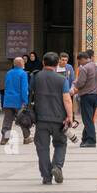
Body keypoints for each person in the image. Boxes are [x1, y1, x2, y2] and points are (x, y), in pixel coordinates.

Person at [31, 52, 72, 185]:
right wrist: (70, 116)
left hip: (41, 119)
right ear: (57, 64)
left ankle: (46, 176)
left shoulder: (35, 77)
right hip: (59, 119)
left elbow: (30, 94)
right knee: (60, 144)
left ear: (43, 62)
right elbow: (67, 99)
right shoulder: (62, 79)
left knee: (42, 148)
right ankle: (57, 166)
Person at [71, 50, 97, 148]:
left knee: (87, 119)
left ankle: (91, 140)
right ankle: (85, 139)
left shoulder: (84, 68)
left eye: (79, 61)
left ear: (82, 59)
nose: (79, 63)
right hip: (96, 95)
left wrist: (74, 85)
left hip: (87, 96)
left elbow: (81, 83)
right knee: (89, 118)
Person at [1, 56, 32, 145]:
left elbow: (6, 86)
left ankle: (4, 138)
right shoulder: (23, 74)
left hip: (8, 100)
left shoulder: (8, 73)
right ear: (21, 64)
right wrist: (25, 101)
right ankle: (26, 137)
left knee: (7, 120)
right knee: (23, 119)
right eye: (23, 63)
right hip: (18, 100)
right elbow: (24, 89)